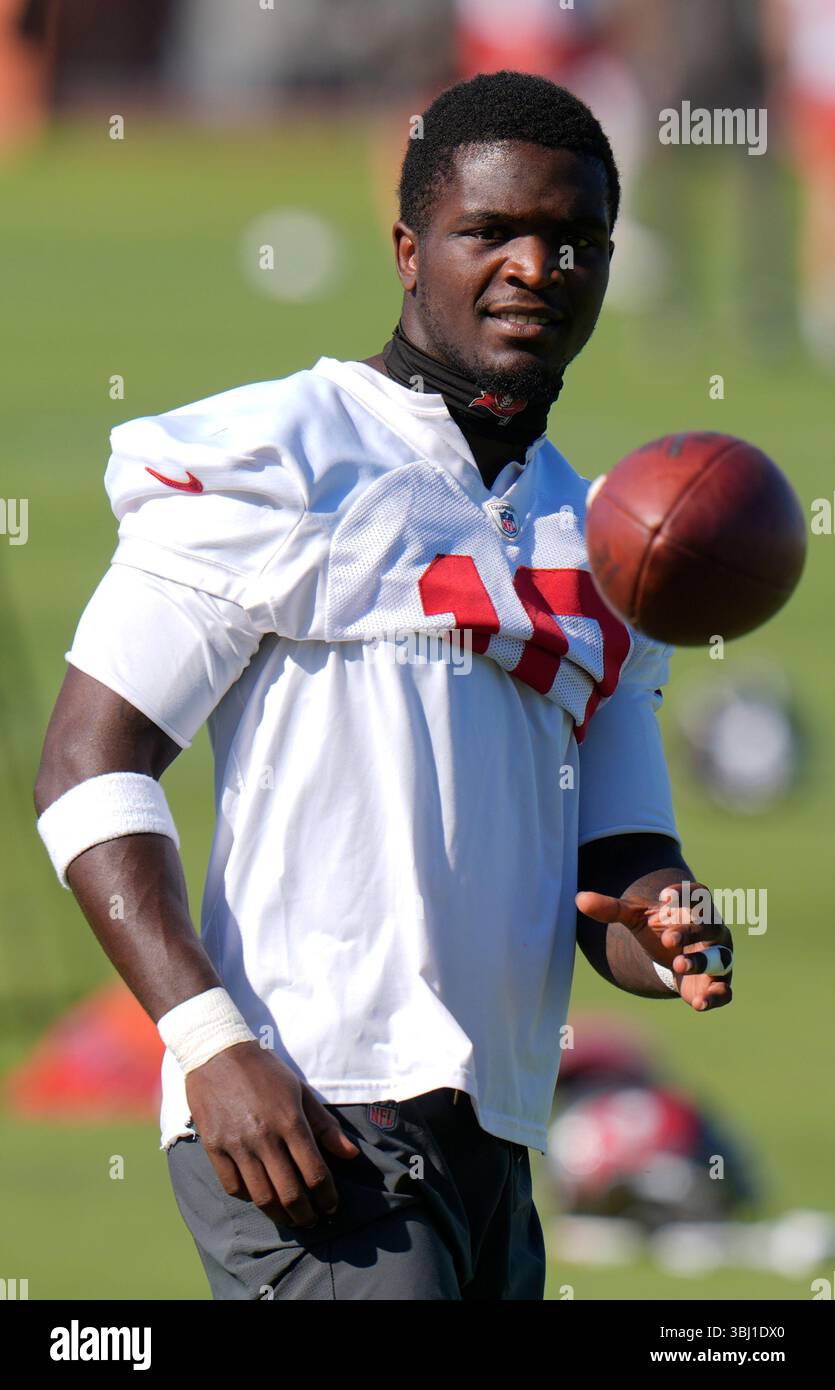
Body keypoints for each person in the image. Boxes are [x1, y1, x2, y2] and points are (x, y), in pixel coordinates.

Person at [34, 71, 733, 1302]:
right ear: (410, 249)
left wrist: (666, 924)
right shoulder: (280, 457)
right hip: (302, 1109)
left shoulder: (613, 541)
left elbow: (618, 867)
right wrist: (209, 1047)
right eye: (493, 232)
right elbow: (89, 766)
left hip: (500, 1132)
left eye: (573, 239)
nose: (536, 265)